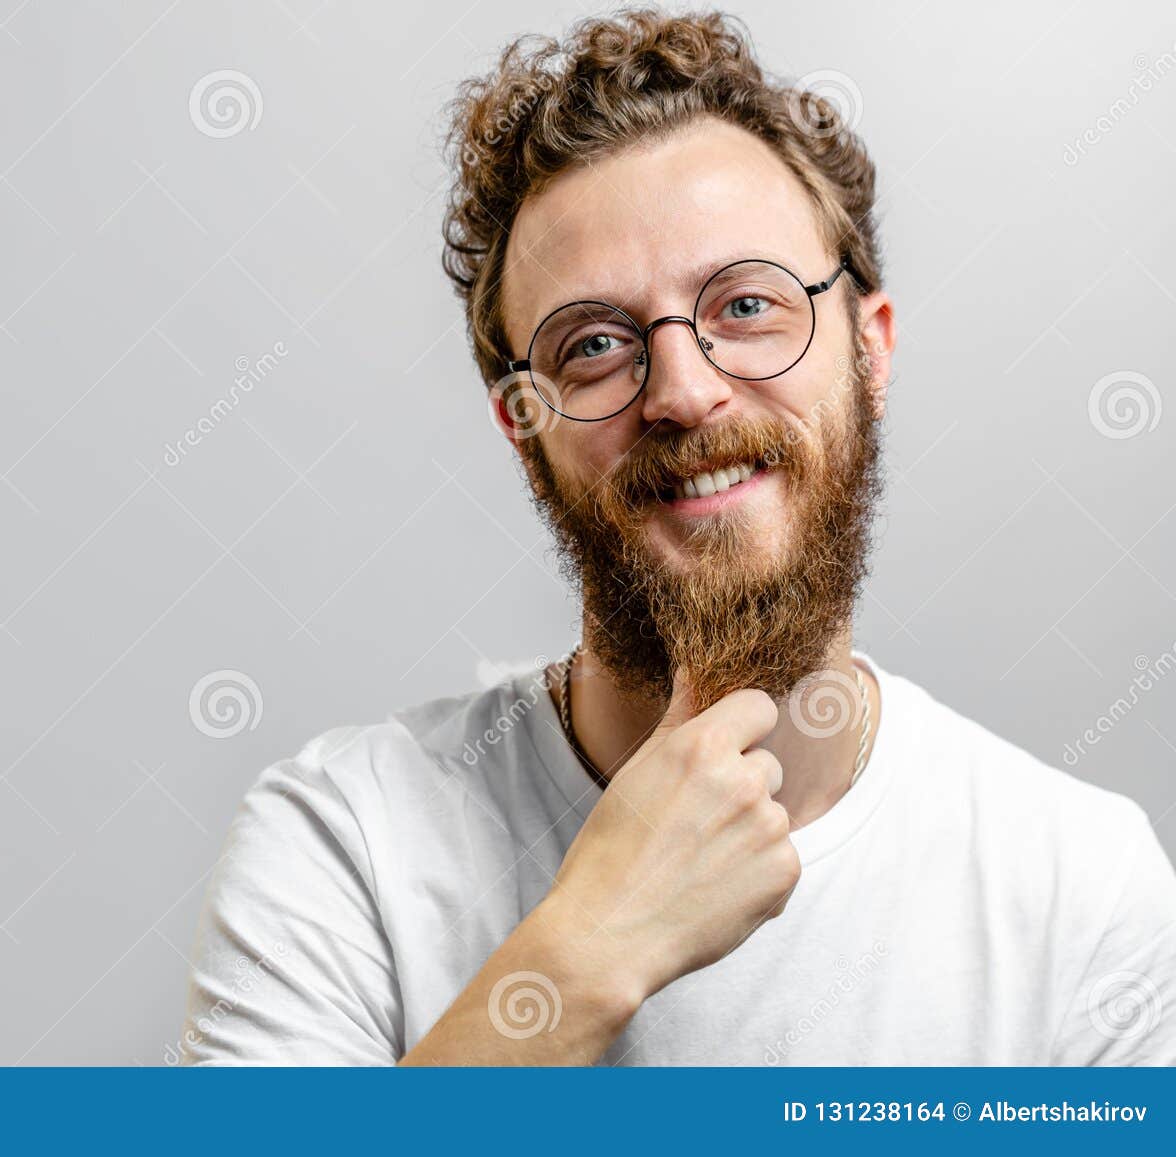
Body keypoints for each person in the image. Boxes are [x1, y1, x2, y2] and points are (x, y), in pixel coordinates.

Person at [175, 8, 1176, 1065]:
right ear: (523, 427)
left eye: (748, 304)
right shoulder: (346, 844)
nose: (684, 392)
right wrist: (584, 953)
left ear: (869, 353)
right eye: (594, 344)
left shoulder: (1082, 888)